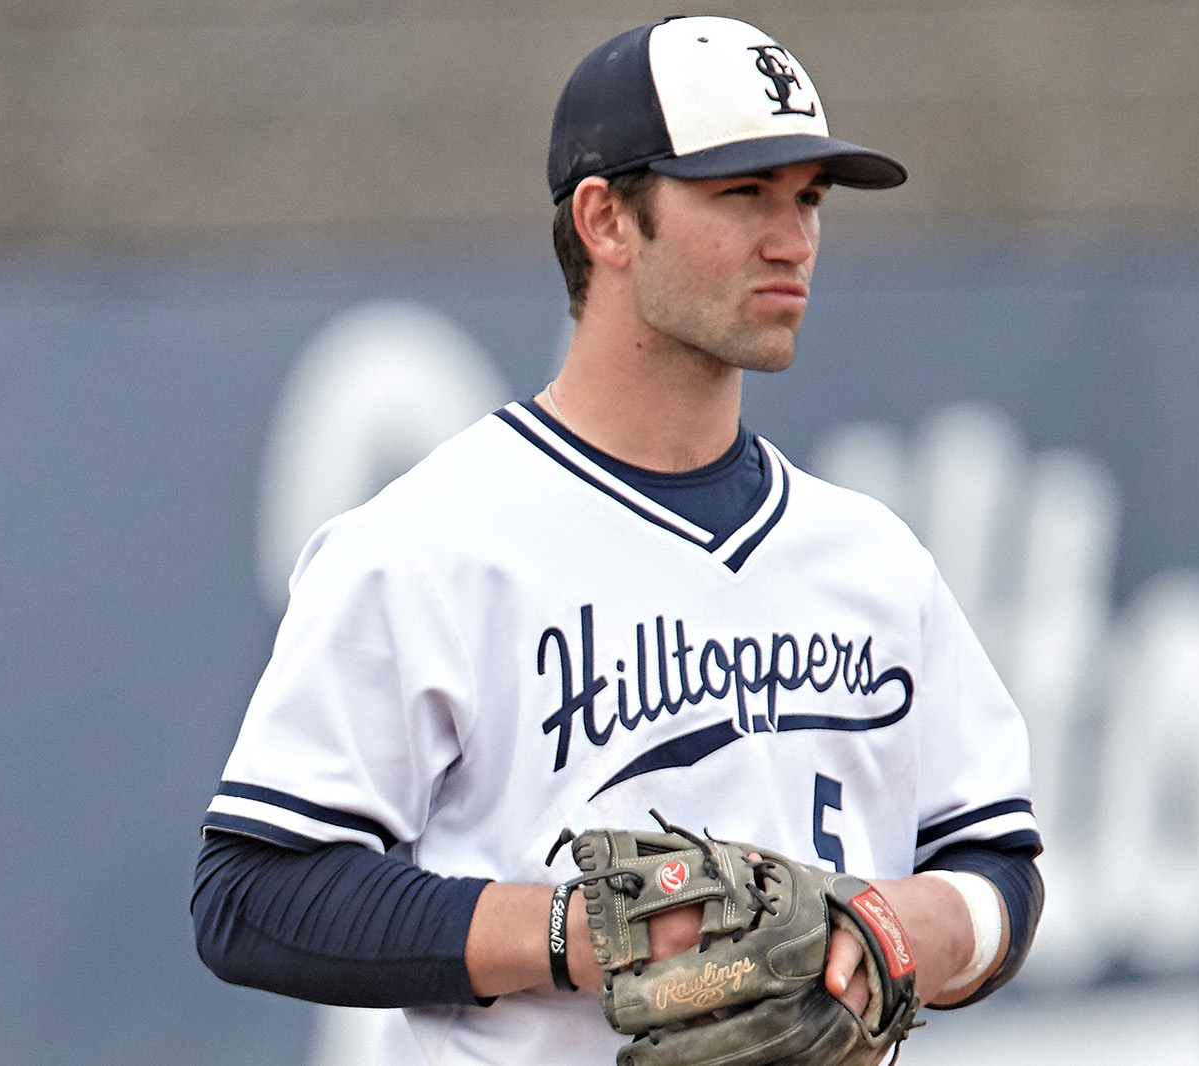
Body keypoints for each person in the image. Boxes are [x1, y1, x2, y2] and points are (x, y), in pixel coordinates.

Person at [193, 15, 1043, 1064]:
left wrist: (904, 929)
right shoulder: (425, 545)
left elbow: (998, 864)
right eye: (743, 195)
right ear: (605, 219)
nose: (792, 239)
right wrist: (572, 933)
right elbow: (256, 892)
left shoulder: (872, 561)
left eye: (809, 199)